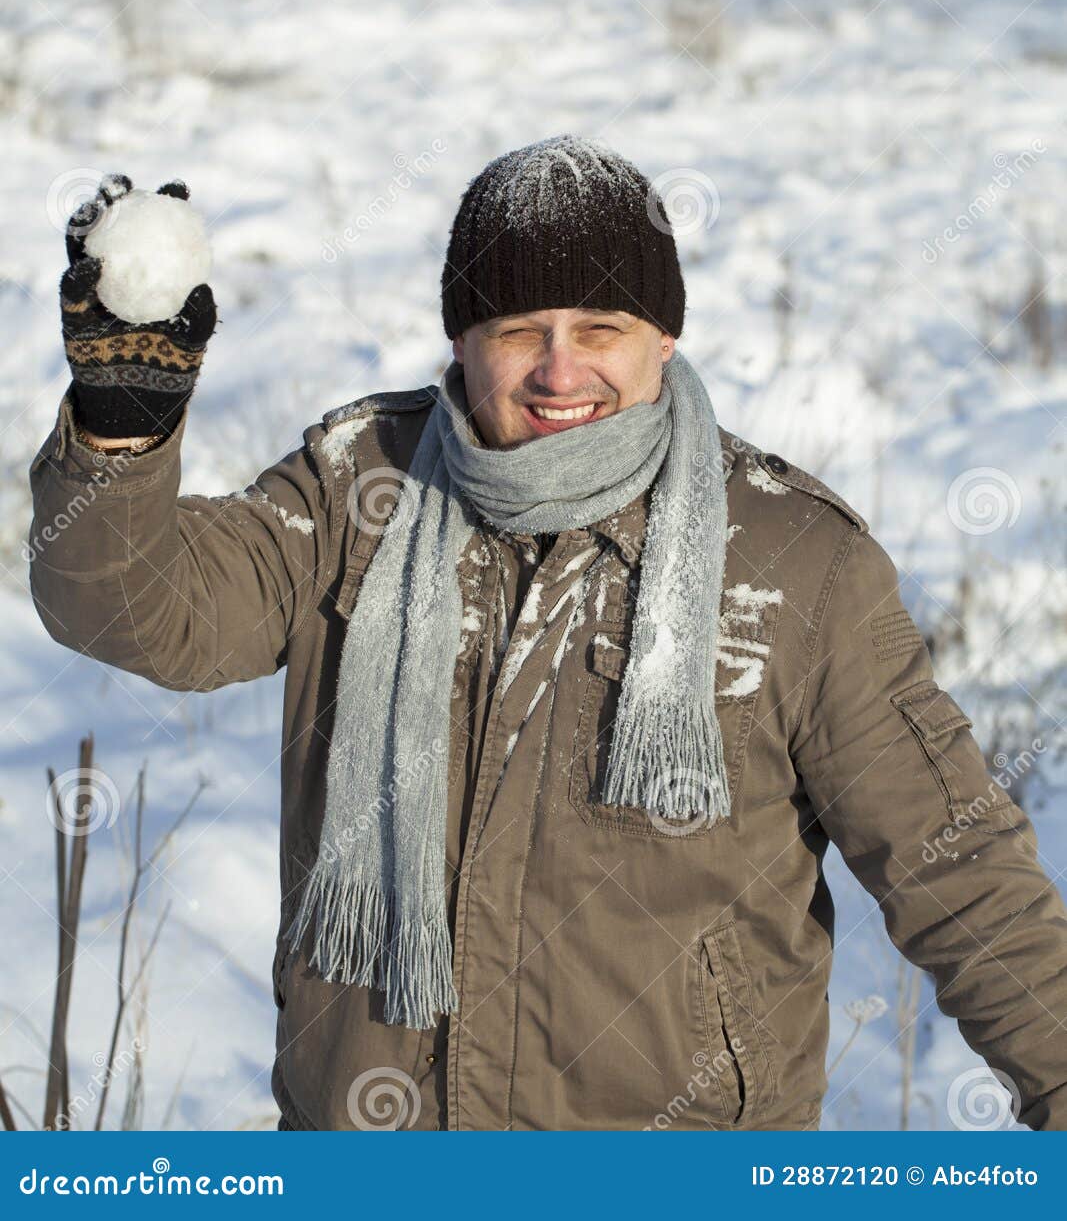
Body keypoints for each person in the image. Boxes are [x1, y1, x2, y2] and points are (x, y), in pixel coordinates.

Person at [27, 137, 1067, 1132]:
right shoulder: (361, 488)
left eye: (601, 329)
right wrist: (120, 430)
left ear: (662, 338)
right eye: (519, 330)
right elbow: (133, 609)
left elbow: (956, 867)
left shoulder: (792, 562)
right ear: (461, 342)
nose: (559, 373)